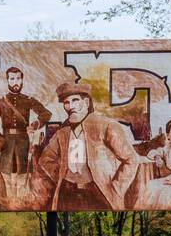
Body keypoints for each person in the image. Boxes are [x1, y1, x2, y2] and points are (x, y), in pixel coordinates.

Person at [33, 81, 139, 211]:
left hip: (97, 193)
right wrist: (61, 175)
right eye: (67, 102)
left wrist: (116, 188)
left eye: (75, 100)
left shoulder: (106, 126)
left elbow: (131, 159)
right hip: (66, 193)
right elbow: (45, 159)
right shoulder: (61, 133)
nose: (71, 106)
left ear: (86, 103)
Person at [0, 67, 51, 199]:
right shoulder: (0, 101)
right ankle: (9, 202)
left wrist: (35, 125)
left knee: (23, 173)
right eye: (12, 79)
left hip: (23, 140)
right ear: (7, 81)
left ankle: (21, 201)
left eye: (18, 78)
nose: (15, 82)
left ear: (22, 80)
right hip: (6, 141)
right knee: (6, 173)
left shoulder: (27, 99)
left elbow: (46, 114)